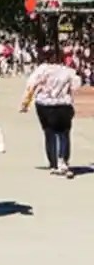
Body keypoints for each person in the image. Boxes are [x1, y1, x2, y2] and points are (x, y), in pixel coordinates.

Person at [20, 46, 82, 178]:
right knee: (64, 133)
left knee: (49, 133)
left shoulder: (41, 69)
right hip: (63, 104)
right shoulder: (68, 71)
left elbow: (30, 84)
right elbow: (77, 85)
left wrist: (25, 102)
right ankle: (63, 161)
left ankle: (53, 163)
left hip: (44, 104)